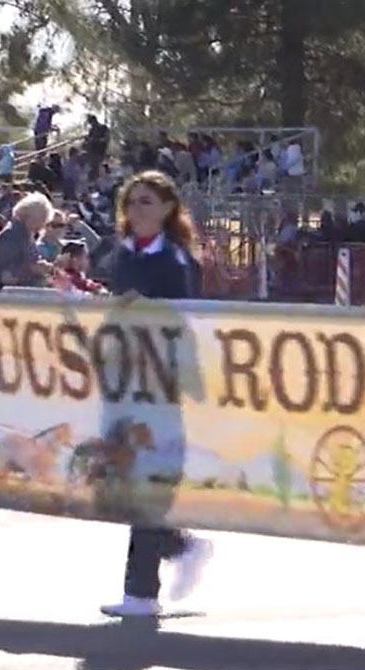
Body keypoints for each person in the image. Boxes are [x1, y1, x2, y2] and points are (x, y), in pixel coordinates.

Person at [99, 170, 213, 617]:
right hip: (124, 378)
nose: (136, 210)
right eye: (131, 202)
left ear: (168, 209)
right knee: (125, 479)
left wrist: (142, 308)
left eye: (146, 201)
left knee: (148, 477)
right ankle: (179, 546)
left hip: (159, 381)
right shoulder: (122, 254)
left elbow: (180, 320)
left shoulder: (176, 261)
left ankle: (142, 590)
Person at [0, 191, 55, 288]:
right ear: (28, 216)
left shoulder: (28, 235)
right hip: (13, 292)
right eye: (41, 219)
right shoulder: (10, 236)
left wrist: (43, 266)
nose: (42, 225)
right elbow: (3, 270)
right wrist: (31, 269)